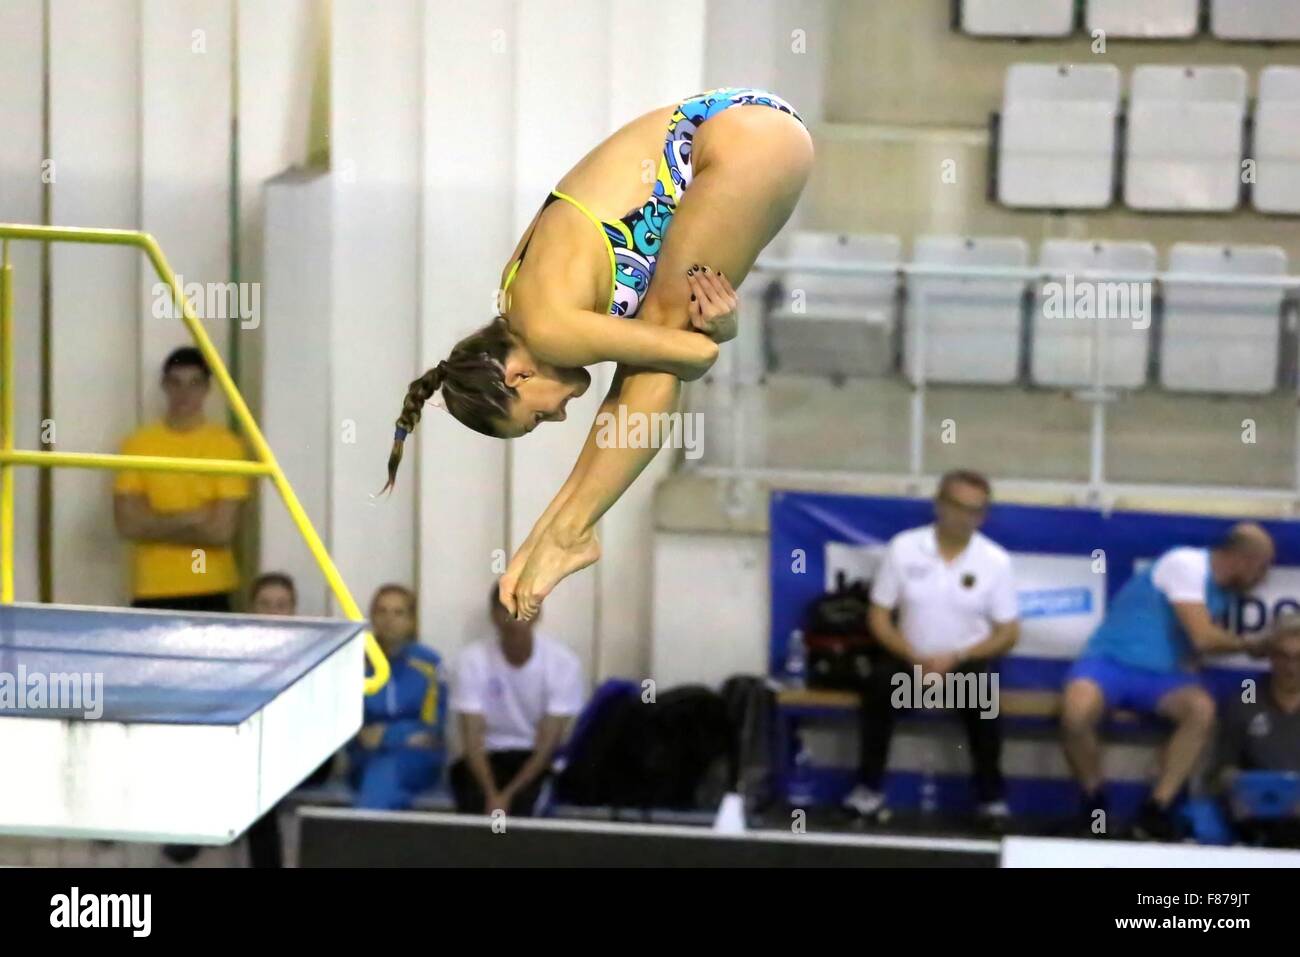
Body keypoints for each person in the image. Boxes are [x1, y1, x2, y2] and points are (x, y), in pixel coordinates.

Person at [380, 88, 815, 619]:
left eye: (540, 414)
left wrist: (717, 332)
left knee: (655, 351)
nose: (562, 414)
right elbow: (681, 349)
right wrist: (539, 536)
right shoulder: (518, 299)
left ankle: (572, 533)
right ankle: (558, 533)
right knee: (653, 345)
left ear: (516, 374)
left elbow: (694, 357)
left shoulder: (545, 329)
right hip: (737, 129)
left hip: (749, 143)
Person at [1060, 523, 1275, 841]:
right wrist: (1252, 644)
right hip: (1110, 662)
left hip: (1164, 677)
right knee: (1076, 712)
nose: (1263, 577)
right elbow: (1202, 637)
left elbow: (1191, 646)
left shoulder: (1224, 594)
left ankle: (1156, 810)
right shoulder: (1186, 563)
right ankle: (1095, 806)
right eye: (1263, 567)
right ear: (1245, 559)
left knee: (1200, 709)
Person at [843, 470, 1020, 830]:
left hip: (960, 671)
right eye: (956, 505)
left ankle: (991, 802)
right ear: (939, 504)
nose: (963, 516)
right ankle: (867, 792)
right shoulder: (904, 547)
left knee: (983, 696)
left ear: (983, 516)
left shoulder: (995, 561)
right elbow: (878, 616)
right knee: (879, 686)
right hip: (911, 668)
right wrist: (912, 655)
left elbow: (1009, 632)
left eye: (974, 510)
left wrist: (958, 657)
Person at [113, 346, 250, 613]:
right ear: (164, 386)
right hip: (151, 589)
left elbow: (221, 532)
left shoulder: (227, 447)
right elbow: (127, 525)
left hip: (211, 587)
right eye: (176, 383)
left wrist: (154, 523)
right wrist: (194, 517)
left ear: (207, 389)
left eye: (194, 384)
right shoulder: (138, 444)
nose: (184, 394)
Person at [449, 585, 585, 817]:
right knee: (475, 802)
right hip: (487, 759)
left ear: (538, 612)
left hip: (533, 760)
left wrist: (508, 795)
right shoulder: (471, 661)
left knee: (522, 809)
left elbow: (547, 744)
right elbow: (472, 740)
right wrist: (492, 793)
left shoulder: (563, 663)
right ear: (493, 615)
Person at [243, 572, 332, 868]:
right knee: (257, 783)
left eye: (281, 605)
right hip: (259, 753)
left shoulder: (314, 652)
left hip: (307, 755)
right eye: (265, 604)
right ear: (252, 609)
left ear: (293, 609)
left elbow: (322, 718)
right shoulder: (236, 655)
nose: (272, 612)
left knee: (259, 784)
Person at [346, 585, 447, 810]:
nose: (389, 620)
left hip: (418, 758)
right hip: (365, 758)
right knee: (379, 772)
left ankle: (365, 829)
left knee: (386, 772)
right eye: (382, 611)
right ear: (372, 617)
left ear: (412, 621)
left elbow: (431, 731)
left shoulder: (429, 663)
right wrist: (400, 735)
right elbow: (352, 730)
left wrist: (386, 735)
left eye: (398, 613)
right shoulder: (354, 662)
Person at [1213, 611, 1300, 848]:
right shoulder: (1246, 700)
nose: (1291, 667)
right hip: (1254, 815)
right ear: (1270, 656)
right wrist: (1237, 785)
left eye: (1299, 657)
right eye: (1283, 656)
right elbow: (1222, 767)